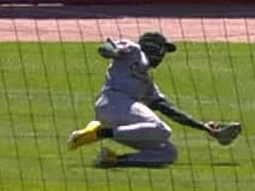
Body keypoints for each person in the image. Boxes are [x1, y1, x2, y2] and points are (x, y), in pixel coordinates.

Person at [67, 32, 237, 167]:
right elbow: (104, 48)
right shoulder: (133, 50)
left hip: (121, 118)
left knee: (167, 152)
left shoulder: (147, 84)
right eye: (162, 50)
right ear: (153, 47)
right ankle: (100, 132)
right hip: (112, 101)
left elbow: (167, 109)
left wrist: (203, 127)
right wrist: (114, 52)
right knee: (162, 130)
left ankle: (113, 160)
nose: (163, 56)